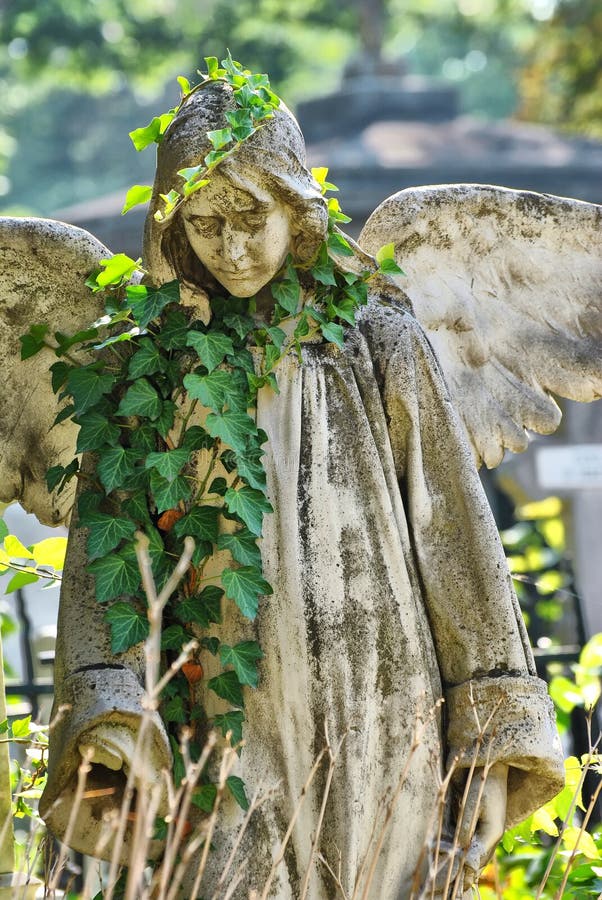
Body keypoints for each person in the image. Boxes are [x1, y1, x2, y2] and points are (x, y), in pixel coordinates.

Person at [40, 80, 564, 898]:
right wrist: (111, 703)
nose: (232, 249)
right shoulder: (149, 365)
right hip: (217, 717)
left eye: (252, 218)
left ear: (297, 209)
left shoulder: (376, 338)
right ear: (173, 226)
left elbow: (454, 534)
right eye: (204, 224)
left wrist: (493, 734)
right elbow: (107, 555)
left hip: (379, 701)